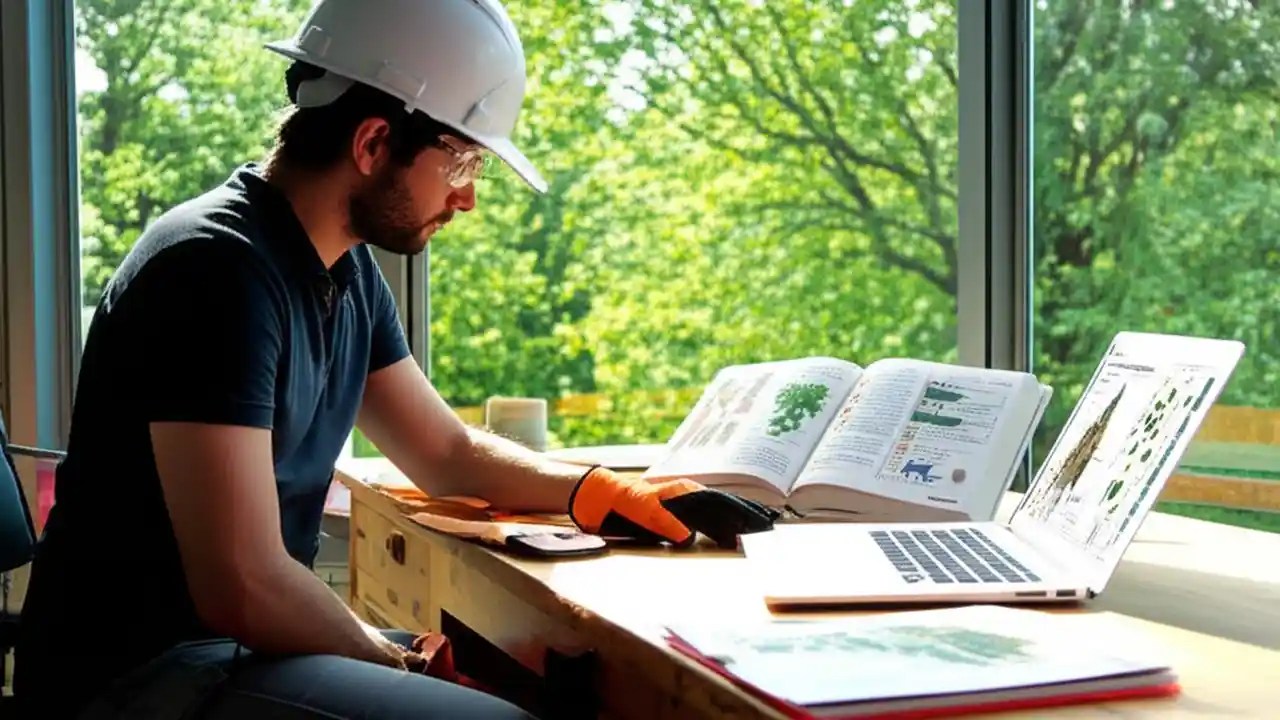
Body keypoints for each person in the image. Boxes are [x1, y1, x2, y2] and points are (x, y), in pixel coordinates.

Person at [12, 0, 776, 717]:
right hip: (140, 677)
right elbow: (241, 583)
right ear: (374, 142)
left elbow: (444, 451)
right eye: (463, 164)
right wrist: (387, 659)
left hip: (225, 648)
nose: (469, 198)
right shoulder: (213, 272)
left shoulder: (342, 270)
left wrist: (604, 490)